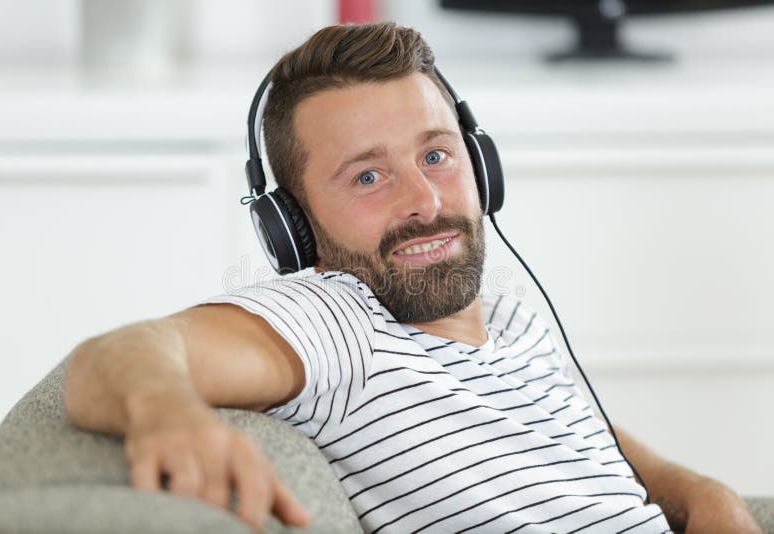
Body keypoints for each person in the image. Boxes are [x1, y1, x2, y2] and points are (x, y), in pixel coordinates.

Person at [63, 22, 761, 533]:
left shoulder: (511, 319)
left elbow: (573, 432)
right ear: (294, 227)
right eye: (368, 176)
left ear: (480, 164)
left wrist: (698, 492)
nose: (424, 203)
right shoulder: (336, 323)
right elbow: (116, 356)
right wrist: (166, 412)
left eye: (436, 155)